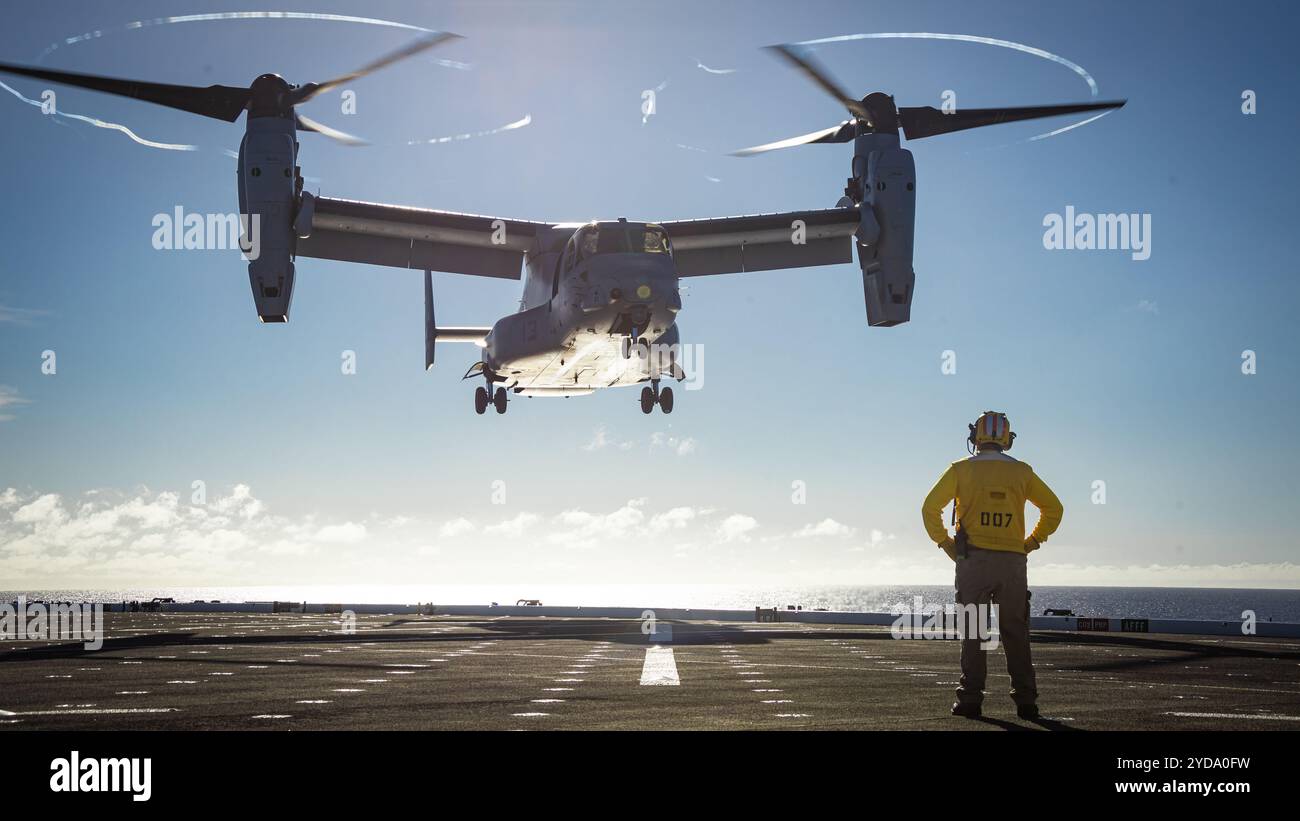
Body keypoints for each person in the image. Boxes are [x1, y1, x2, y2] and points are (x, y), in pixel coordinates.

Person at [921, 411, 1063, 720]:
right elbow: (1054, 508)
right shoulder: (1023, 472)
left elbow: (930, 508)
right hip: (1013, 562)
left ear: (976, 437)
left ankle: (970, 700)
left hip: (972, 561)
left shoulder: (960, 470)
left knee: (973, 632)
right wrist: (1031, 542)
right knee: (1015, 632)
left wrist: (946, 544)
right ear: (1007, 440)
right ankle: (1026, 703)